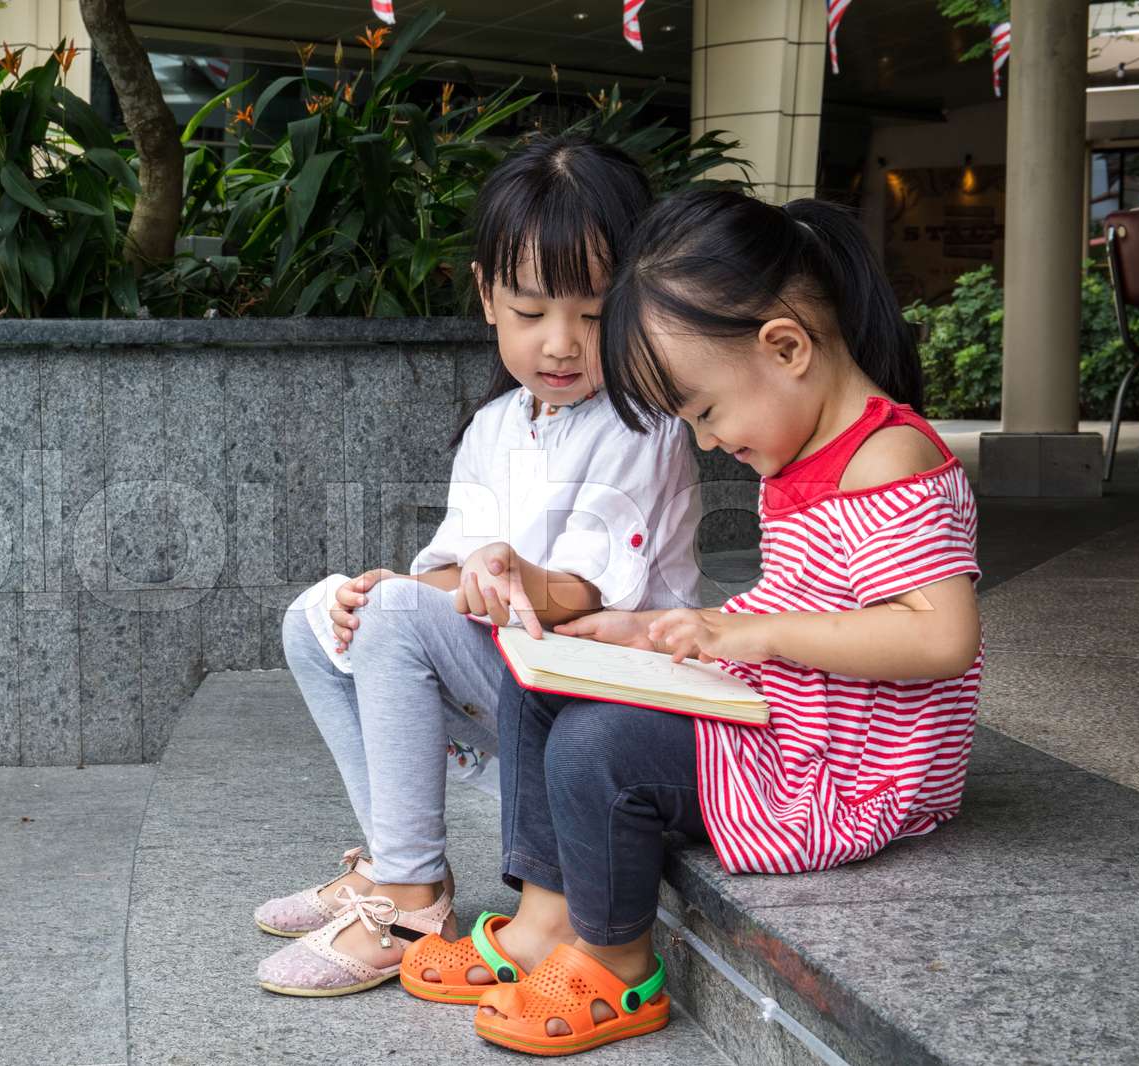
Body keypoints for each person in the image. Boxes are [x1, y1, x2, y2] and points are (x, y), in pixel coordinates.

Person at [401, 188, 983, 1056]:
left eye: (705, 412)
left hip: (843, 772)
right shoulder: (809, 446)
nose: (707, 443)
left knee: (601, 753)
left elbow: (940, 637)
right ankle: (542, 921)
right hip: (792, 723)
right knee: (540, 677)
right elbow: (810, 598)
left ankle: (615, 962)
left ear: (784, 347)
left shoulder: (888, 457)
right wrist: (650, 632)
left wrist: (748, 637)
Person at [252, 135, 703, 998]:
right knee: (316, 619)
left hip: (599, 695)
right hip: (515, 672)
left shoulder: (646, 426)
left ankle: (411, 896)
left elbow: (578, 593)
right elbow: (449, 572)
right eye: (532, 313)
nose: (561, 343)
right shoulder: (499, 424)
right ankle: (389, 858)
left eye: (594, 312)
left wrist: (493, 579)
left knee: (385, 614)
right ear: (487, 296)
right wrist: (373, 593)